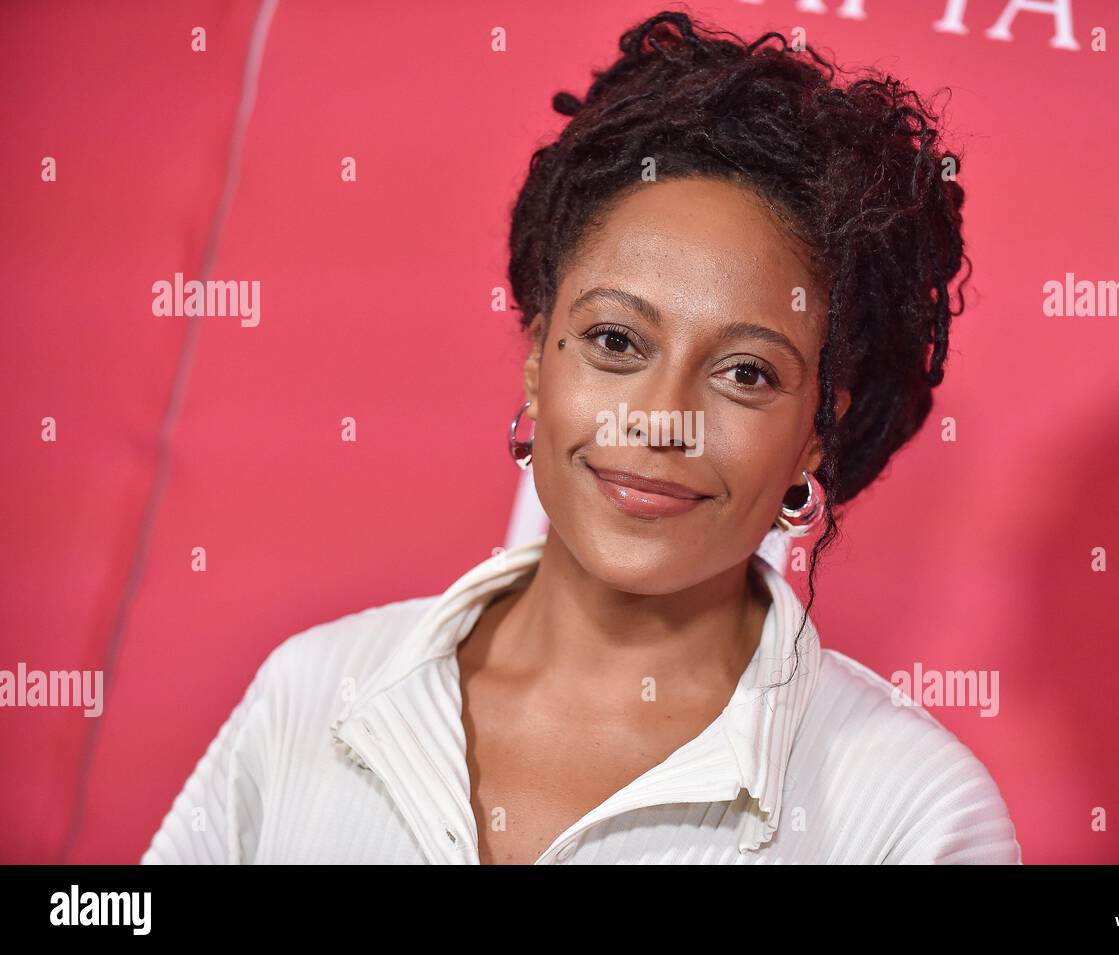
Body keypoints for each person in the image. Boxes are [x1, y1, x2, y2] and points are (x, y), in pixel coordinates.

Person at [141, 9, 1021, 865]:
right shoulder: (316, 690)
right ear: (536, 358)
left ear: (814, 435)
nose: (659, 417)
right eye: (615, 341)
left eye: (747, 373)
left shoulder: (913, 814)